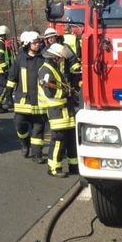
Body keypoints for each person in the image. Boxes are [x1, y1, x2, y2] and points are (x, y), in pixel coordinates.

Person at [2, 31, 46, 162]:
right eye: (34, 42)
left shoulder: (43, 58)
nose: (38, 44)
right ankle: (24, 143)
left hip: (39, 101)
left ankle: (37, 155)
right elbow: (12, 78)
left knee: (38, 128)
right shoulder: (20, 59)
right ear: (27, 44)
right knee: (19, 125)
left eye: (38, 42)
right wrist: (8, 95)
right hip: (23, 101)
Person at [39, 42, 77, 177]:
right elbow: (50, 92)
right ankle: (54, 168)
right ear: (55, 57)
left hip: (66, 109)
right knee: (58, 140)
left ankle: (74, 166)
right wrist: (66, 93)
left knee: (71, 139)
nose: (62, 60)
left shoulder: (54, 68)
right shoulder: (46, 70)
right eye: (60, 58)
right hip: (57, 110)